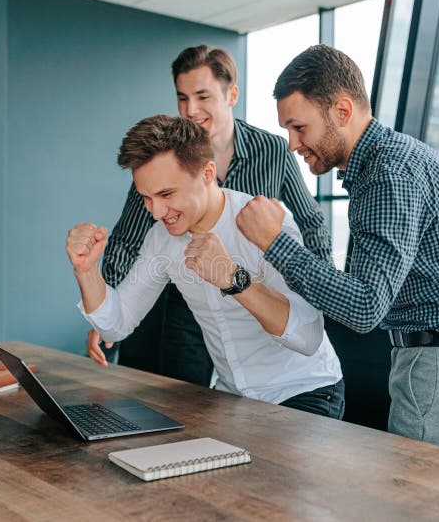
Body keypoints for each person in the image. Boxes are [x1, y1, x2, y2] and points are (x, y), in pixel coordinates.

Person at [236, 45, 439, 454]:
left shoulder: (387, 175)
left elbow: (364, 307)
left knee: (419, 507)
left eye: (299, 127)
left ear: (342, 111)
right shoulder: (384, 166)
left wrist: (276, 243)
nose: (292, 144)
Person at [68, 114, 344, 418]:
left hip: (304, 391)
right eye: (146, 198)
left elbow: (307, 337)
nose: (156, 211)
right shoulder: (162, 239)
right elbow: (116, 325)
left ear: (207, 173)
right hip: (233, 397)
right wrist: (87, 271)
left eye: (166, 194)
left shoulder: (263, 222)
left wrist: (232, 279)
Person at [89, 45, 331, 386]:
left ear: (231, 94)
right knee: (188, 403)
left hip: (260, 307)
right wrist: (106, 309)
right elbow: (127, 240)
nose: (191, 109)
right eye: (182, 98)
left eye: (202, 97)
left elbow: (311, 223)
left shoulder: (272, 150)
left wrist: (321, 291)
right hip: (189, 302)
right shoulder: (159, 166)